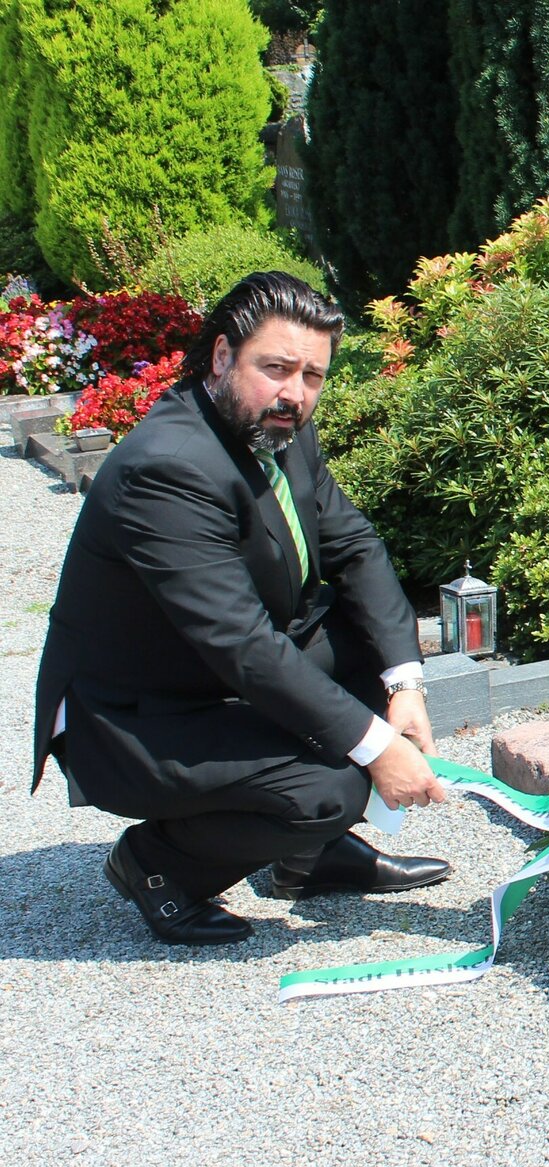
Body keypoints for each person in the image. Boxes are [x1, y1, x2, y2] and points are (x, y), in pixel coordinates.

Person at [30, 272, 452, 946]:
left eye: (313, 375)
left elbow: (354, 547)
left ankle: (307, 857)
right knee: (331, 785)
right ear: (223, 356)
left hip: (208, 673)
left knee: (371, 653)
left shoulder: (277, 427)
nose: (296, 393)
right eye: (276, 368)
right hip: (134, 716)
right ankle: (157, 864)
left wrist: (404, 682)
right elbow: (242, 644)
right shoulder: (167, 468)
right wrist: (377, 748)